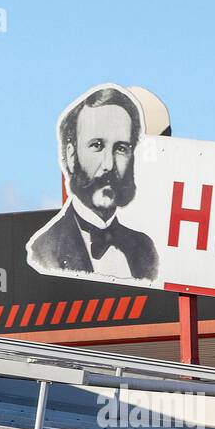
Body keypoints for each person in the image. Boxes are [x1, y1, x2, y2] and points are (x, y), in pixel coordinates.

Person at [28, 85, 159, 283]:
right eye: (97, 146)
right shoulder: (44, 252)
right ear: (71, 155)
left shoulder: (146, 250)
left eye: (121, 148)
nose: (108, 165)